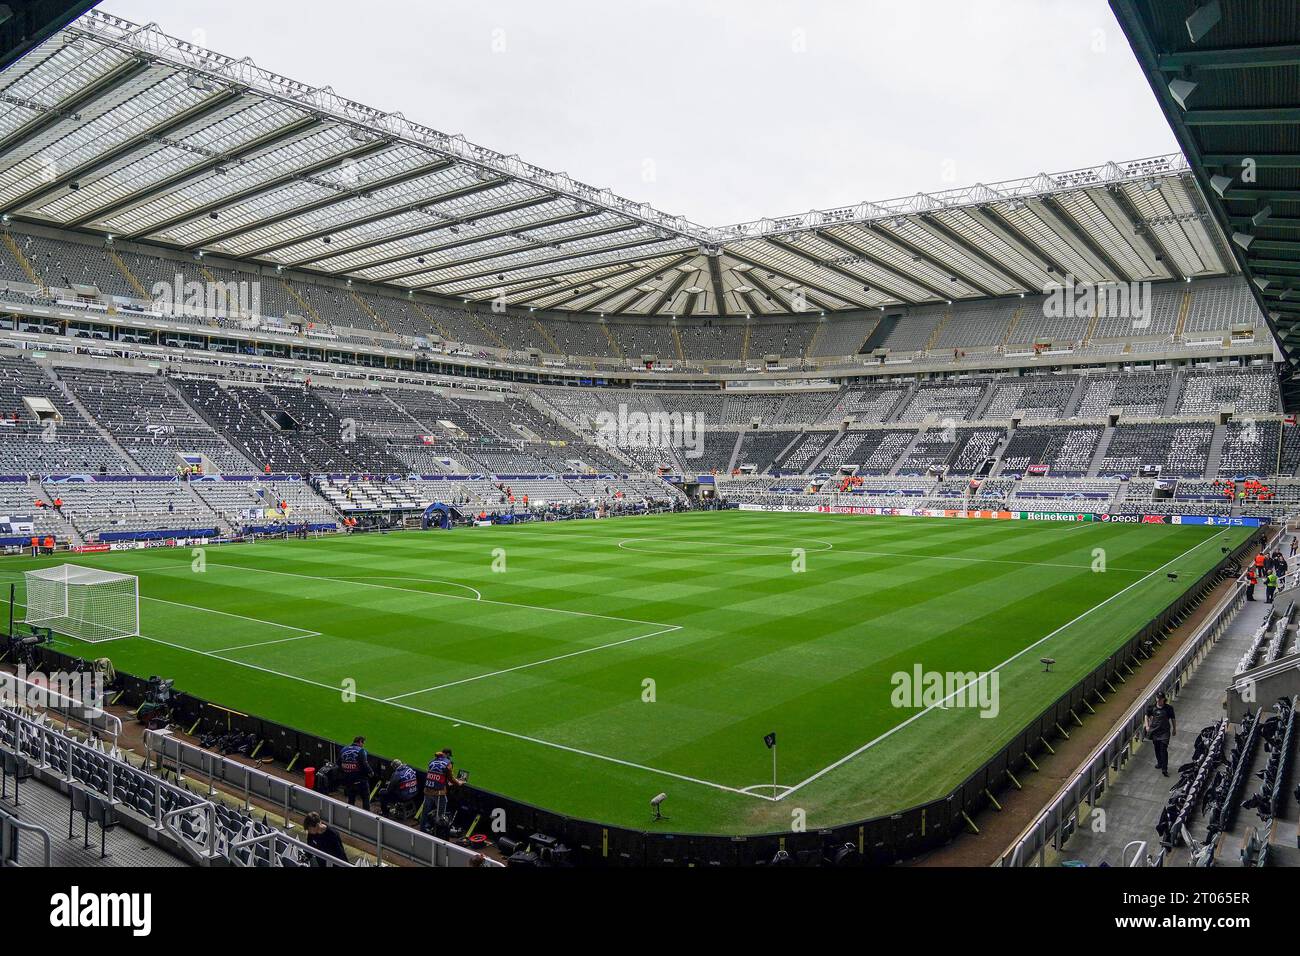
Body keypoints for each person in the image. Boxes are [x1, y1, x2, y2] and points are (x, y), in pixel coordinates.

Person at [420, 747, 463, 833]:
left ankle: (423, 828)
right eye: (449, 755)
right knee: (441, 814)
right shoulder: (447, 763)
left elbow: (432, 773)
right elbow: (450, 778)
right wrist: (459, 783)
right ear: (447, 754)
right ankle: (437, 832)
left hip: (427, 789)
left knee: (425, 810)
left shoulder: (432, 761)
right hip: (438, 792)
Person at [1145, 692, 1176, 777]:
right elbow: (1146, 716)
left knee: (1163, 749)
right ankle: (1159, 763)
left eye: (1160, 698)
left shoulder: (1169, 708)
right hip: (1155, 731)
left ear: (1163, 699)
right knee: (1157, 748)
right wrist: (1147, 726)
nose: (1158, 700)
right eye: (1157, 698)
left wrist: (1174, 729)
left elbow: (1173, 718)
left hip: (1165, 732)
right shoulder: (1151, 708)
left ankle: (1164, 769)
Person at [338, 735, 374, 810]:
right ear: (360, 742)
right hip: (361, 780)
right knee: (365, 799)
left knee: (351, 800)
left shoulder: (343, 749)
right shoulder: (361, 751)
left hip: (348, 780)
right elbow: (365, 764)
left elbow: (338, 763)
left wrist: (346, 771)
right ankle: (367, 817)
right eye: (363, 743)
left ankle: (350, 817)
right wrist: (371, 772)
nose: (363, 745)